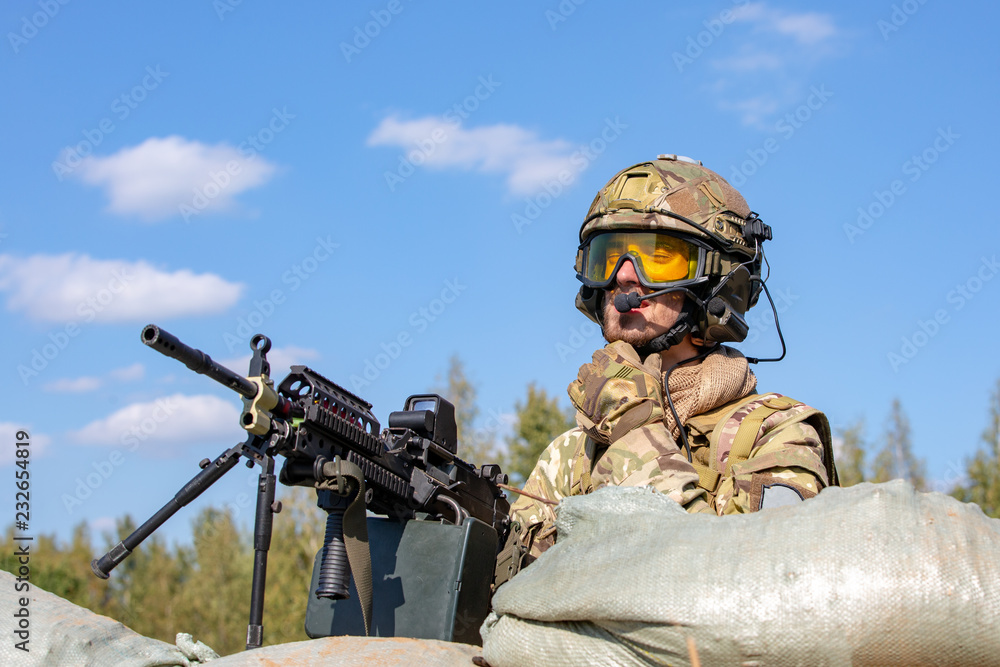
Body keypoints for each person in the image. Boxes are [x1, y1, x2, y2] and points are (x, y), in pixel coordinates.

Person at [504, 154, 838, 568]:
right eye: (609, 257)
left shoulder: (778, 434)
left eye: (658, 257)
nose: (625, 277)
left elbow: (750, 581)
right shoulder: (572, 451)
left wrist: (633, 433)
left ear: (722, 280)